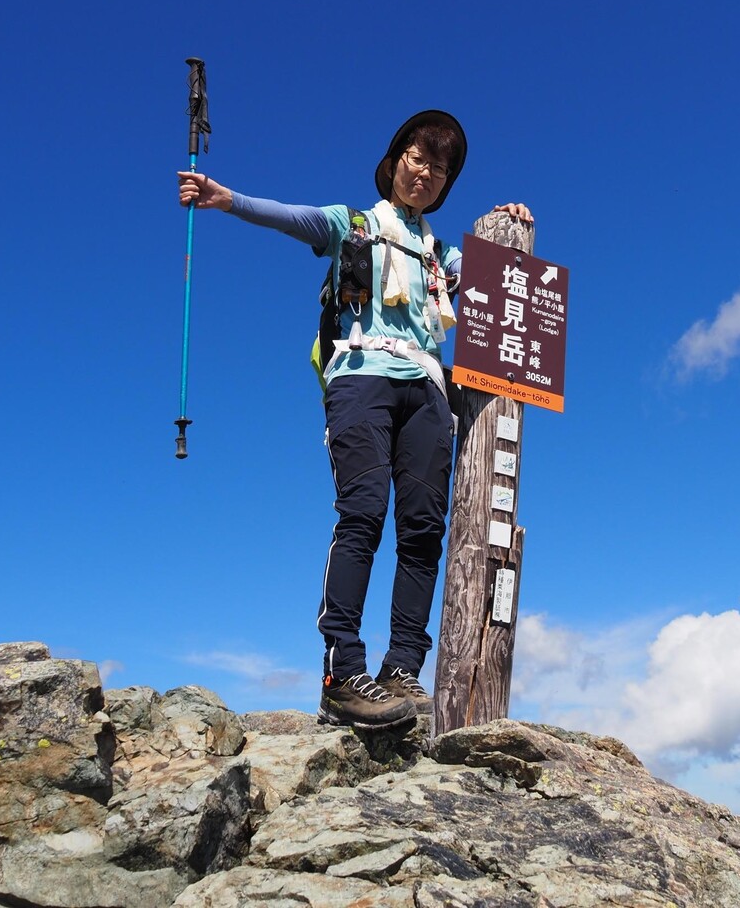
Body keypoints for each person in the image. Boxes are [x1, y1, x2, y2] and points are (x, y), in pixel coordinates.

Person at [177, 110, 532, 729]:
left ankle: (402, 671)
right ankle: (343, 672)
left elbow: (500, 282)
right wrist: (226, 199)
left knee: (423, 530)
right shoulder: (355, 225)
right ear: (395, 159)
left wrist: (509, 223)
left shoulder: (440, 253)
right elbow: (294, 217)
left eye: (440, 167)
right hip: (362, 380)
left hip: (427, 390)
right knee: (363, 515)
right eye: (417, 158)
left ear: (447, 184)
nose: (425, 173)